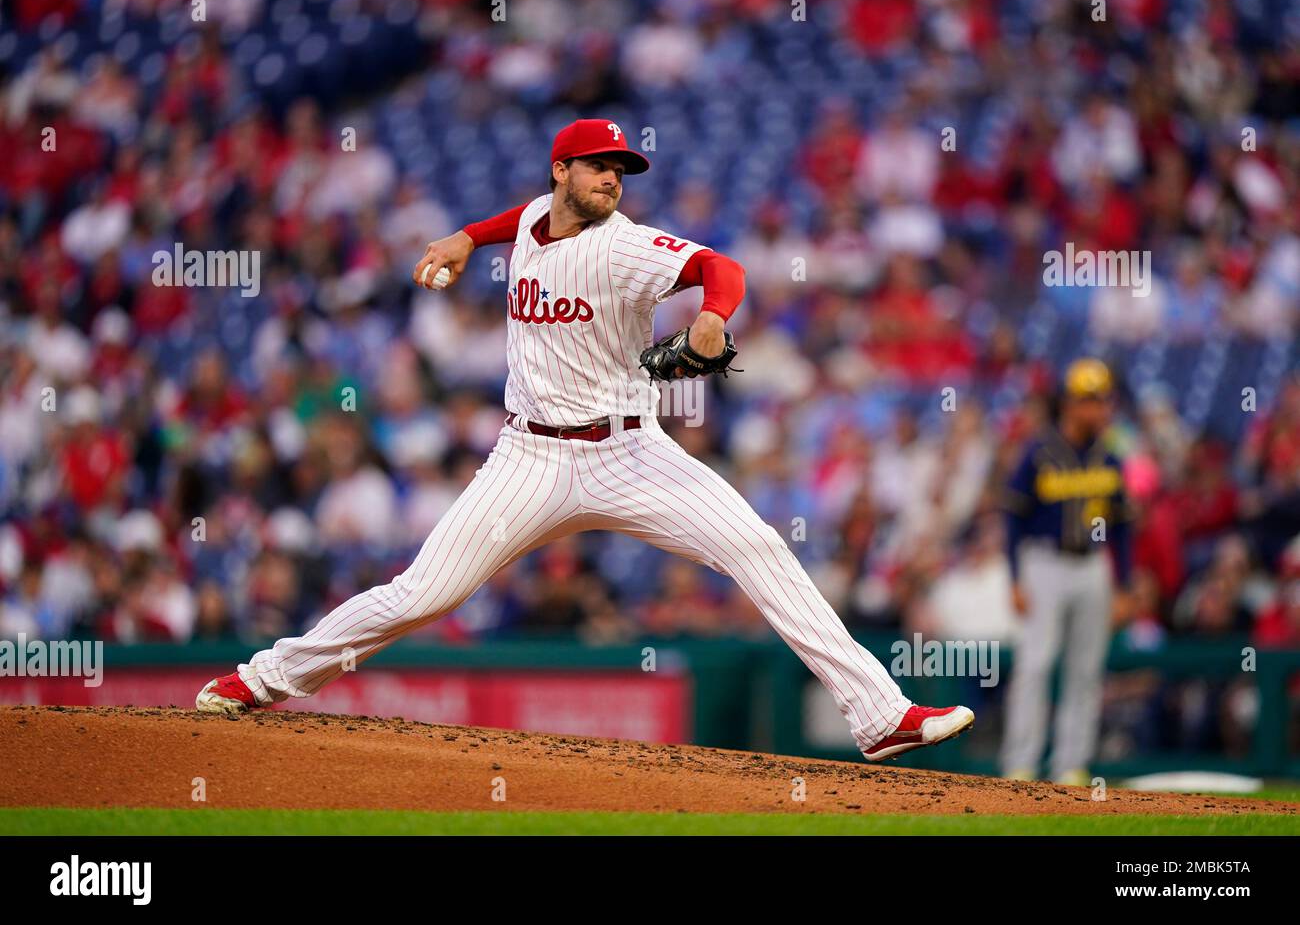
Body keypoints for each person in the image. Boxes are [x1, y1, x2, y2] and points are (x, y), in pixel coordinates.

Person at [196, 118, 974, 762]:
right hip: (529, 457)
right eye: (599, 166)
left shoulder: (621, 245)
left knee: (759, 545)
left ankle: (880, 716)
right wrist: (467, 237)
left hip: (629, 454)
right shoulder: (536, 218)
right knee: (421, 595)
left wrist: (712, 316)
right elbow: (521, 221)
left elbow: (720, 266)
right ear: (560, 172)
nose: (612, 179)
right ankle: (262, 679)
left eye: (620, 169)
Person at [1000, 358, 1133, 784]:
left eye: (1103, 400)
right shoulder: (1039, 452)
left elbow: (1122, 526)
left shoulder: (1109, 456)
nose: (1100, 408)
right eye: (1090, 400)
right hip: (1045, 563)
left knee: (1085, 669)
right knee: (1036, 664)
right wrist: (1014, 578)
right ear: (1071, 404)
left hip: (1093, 563)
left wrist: (1124, 585)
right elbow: (1012, 519)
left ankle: (1071, 764)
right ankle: (1021, 763)